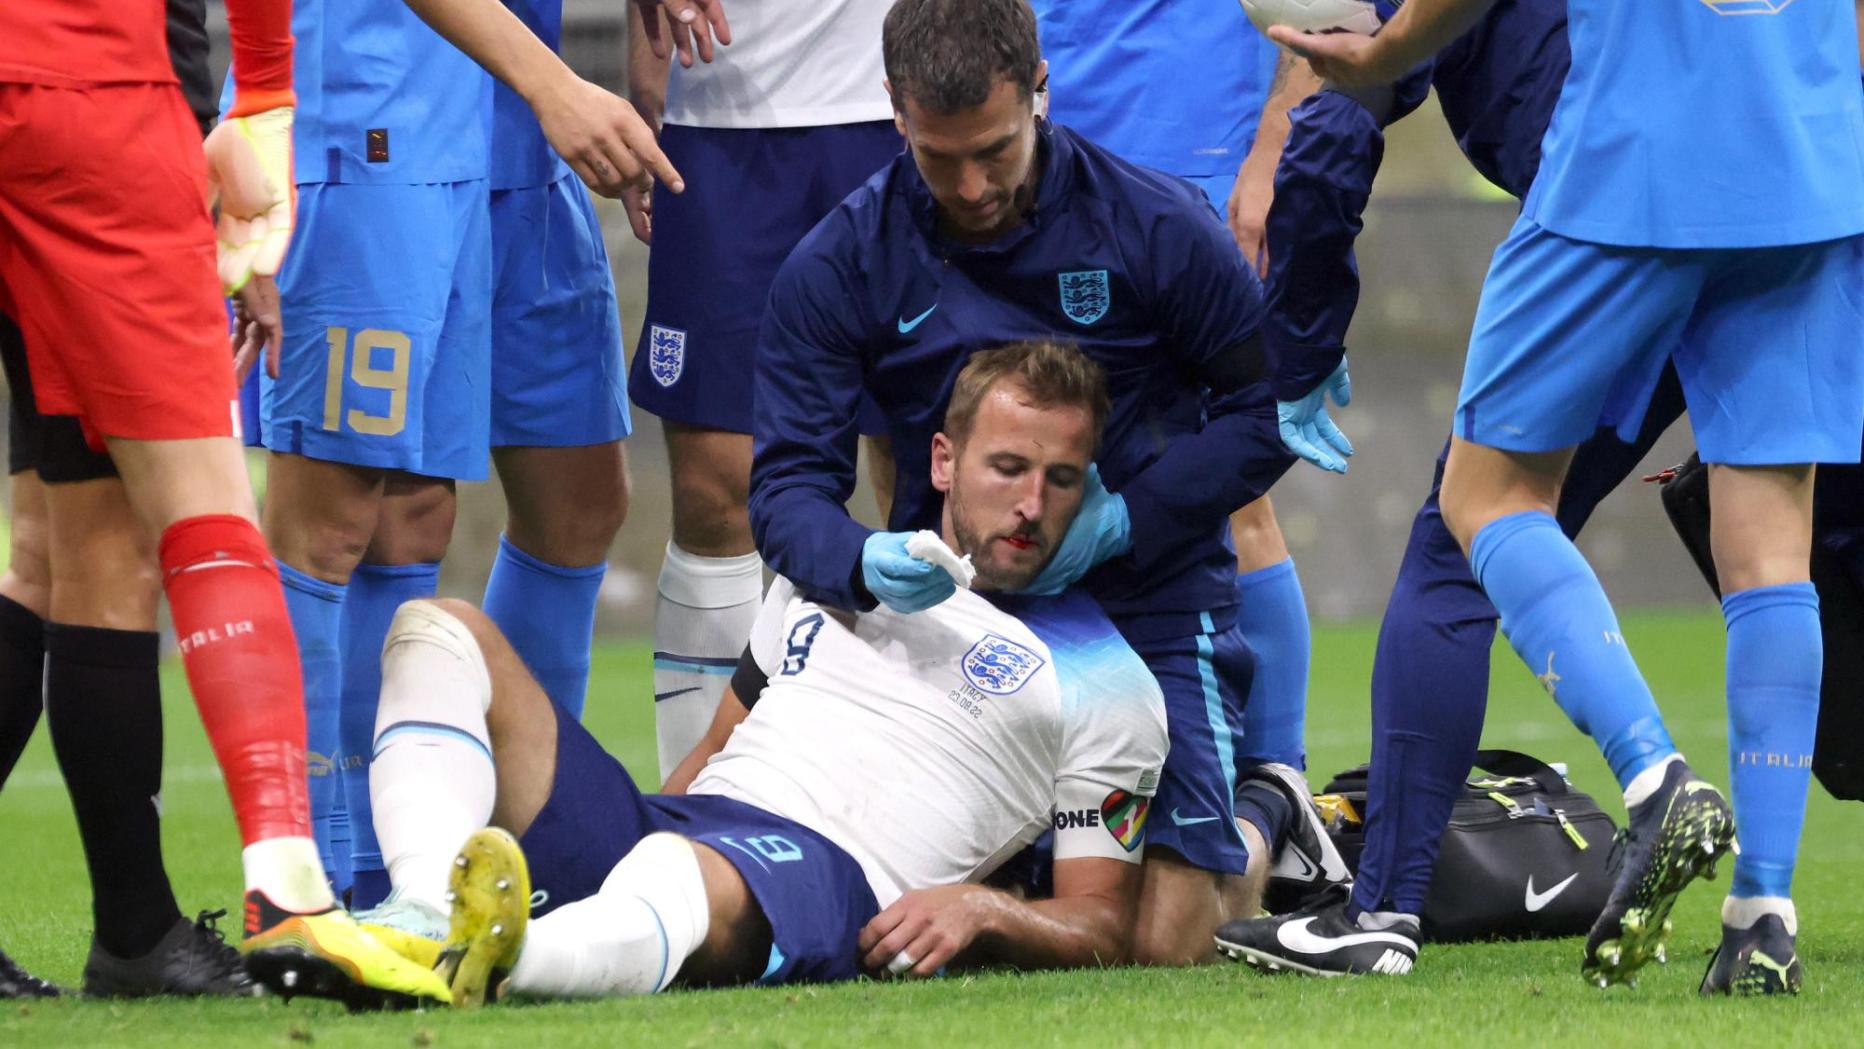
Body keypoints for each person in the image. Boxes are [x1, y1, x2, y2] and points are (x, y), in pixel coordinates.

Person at [1272, 0, 1864, 994]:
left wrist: (1385, 49)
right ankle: (1761, 914)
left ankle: (1651, 776)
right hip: (1805, 172)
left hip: (1629, 170)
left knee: (1485, 494)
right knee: (1769, 544)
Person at [749, 0, 1342, 965]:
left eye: (995, 149)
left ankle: (1270, 799)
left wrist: (1129, 518)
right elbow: (784, 492)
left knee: (1169, 942)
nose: (973, 186)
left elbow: (1266, 408)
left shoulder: (1154, 225)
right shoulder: (839, 265)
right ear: (895, 110)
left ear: (1040, 92)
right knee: (883, 875)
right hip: (953, 605)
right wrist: (863, 557)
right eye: (942, 159)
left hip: (1146, 588)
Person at [357, 341, 1170, 1004]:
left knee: (676, 871)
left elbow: (1102, 921)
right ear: (945, 461)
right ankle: (425, 911)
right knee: (441, 630)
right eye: (1008, 468)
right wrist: (641, 819)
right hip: (689, 823)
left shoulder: (1109, 682)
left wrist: (986, 908)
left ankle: (501, 963)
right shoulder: (840, 569)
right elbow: (717, 744)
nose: (1032, 502)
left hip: (826, 874)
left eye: (1061, 479)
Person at [0, 0, 450, 1009]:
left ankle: (136, 929)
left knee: (74, 542)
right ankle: (290, 892)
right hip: (86, 88)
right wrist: (265, 108)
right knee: (206, 513)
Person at [248, 0, 684, 908]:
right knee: (359, 520)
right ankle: (335, 879)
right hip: (384, 108)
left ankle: (515, 843)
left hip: (512, 122)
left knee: (580, 496)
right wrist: (554, 84)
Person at [1034, 0, 1318, 876]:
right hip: (1038, 163)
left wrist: (1274, 157)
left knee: (1232, 494)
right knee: (1027, 473)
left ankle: (1281, 784)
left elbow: (1324, 20)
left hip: (1192, 156)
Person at [624, 0, 903, 779]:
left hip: (902, 98)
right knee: (718, 494)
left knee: (932, 476)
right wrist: (645, 74)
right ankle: (697, 819)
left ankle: (940, 817)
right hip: (723, 113)